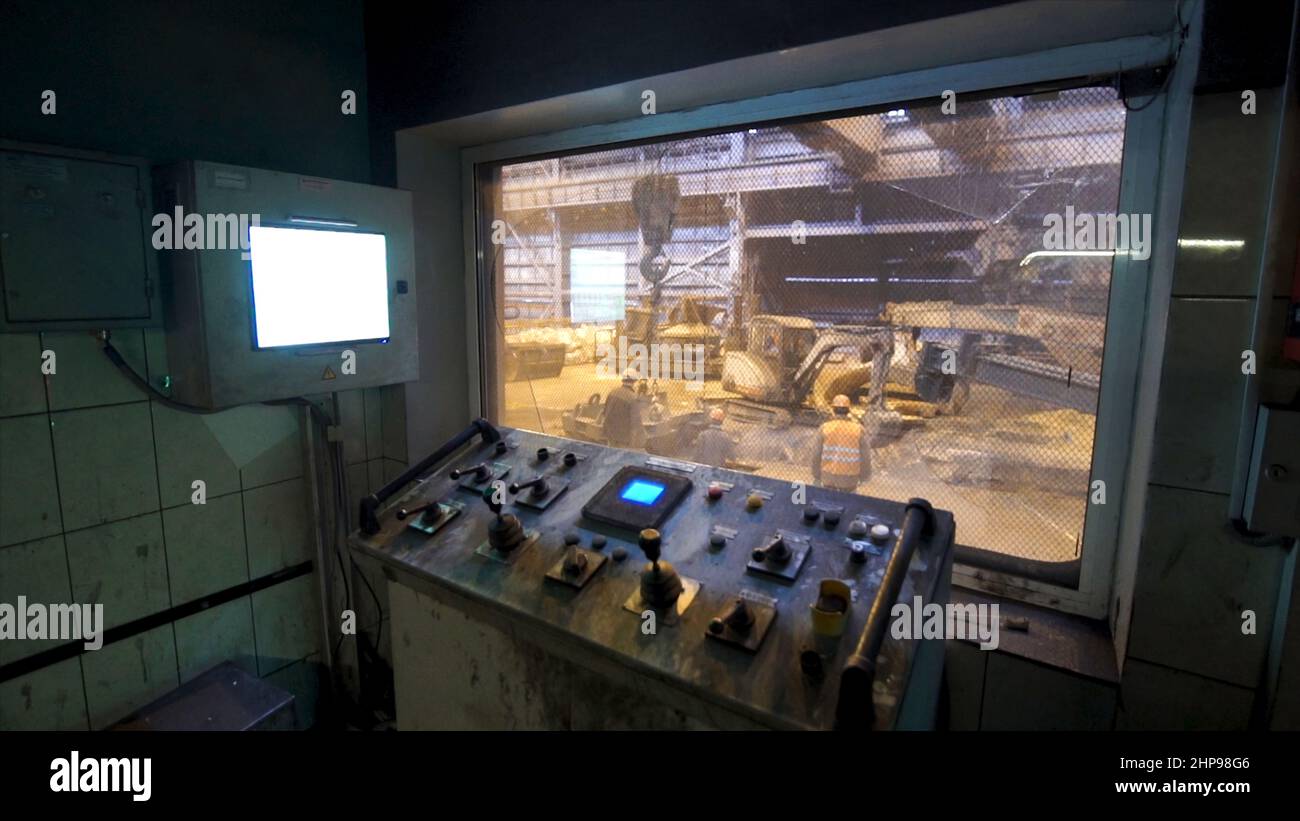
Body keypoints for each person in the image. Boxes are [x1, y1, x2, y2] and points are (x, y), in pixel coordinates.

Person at [812, 394, 871, 491]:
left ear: (833, 409)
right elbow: (866, 456)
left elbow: (816, 454)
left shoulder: (825, 428)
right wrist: (864, 477)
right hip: (850, 479)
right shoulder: (858, 429)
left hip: (828, 477)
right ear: (849, 410)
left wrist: (817, 475)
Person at [602, 368, 644, 449]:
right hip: (623, 438)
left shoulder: (612, 392)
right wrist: (633, 444)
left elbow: (604, 413)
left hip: (610, 434)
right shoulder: (633, 398)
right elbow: (635, 424)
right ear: (634, 381)